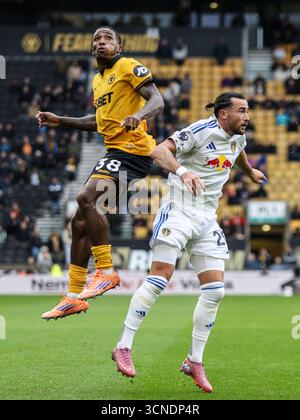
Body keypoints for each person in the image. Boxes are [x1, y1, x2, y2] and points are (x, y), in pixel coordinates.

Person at [112, 92, 267, 392]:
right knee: (159, 279)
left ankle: (194, 361)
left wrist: (249, 172)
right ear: (223, 114)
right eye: (241, 110)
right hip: (178, 210)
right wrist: (183, 172)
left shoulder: (238, 138)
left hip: (207, 218)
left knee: (215, 291)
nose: (247, 116)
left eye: (248, 110)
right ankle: (123, 346)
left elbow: (238, 152)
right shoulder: (200, 131)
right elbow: (159, 150)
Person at [36, 26, 164, 320]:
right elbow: (99, 122)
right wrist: (60, 120)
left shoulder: (128, 66)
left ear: (119, 47)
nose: (101, 42)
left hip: (133, 151)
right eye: (97, 39)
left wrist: (139, 115)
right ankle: (72, 295)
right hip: (114, 152)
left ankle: (106, 271)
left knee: (85, 198)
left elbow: (157, 100)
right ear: (92, 49)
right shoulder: (98, 80)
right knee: (79, 223)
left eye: (108, 38)